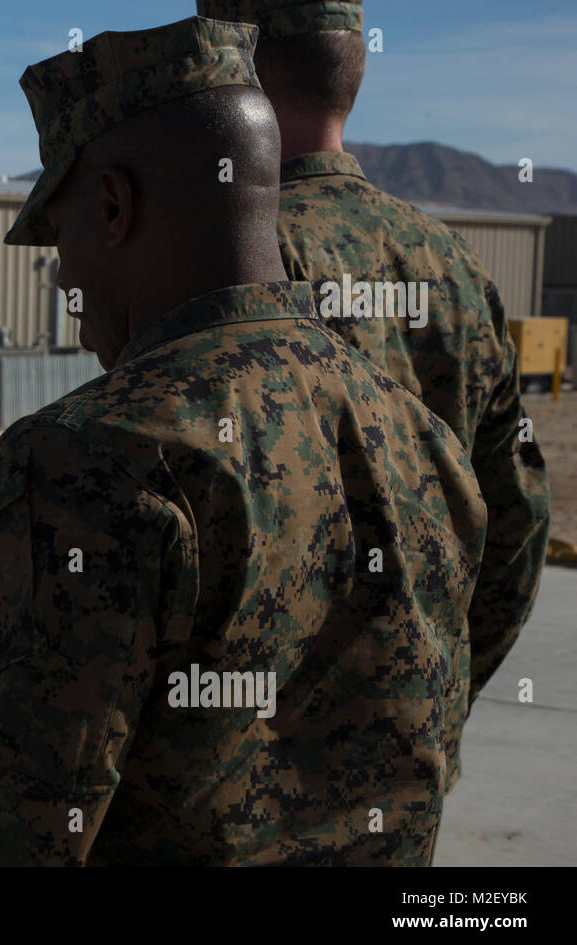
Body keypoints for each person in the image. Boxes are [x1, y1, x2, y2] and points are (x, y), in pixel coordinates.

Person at [0, 18, 487, 866]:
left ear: (114, 207)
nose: (64, 278)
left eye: (62, 237)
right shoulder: (425, 440)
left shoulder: (84, 460)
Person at [196, 0, 549, 789]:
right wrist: (434, 696)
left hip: (246, 783)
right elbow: (518, 517)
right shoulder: (454, 263)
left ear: (233, 69)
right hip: (402, 761)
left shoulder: (229, 247)